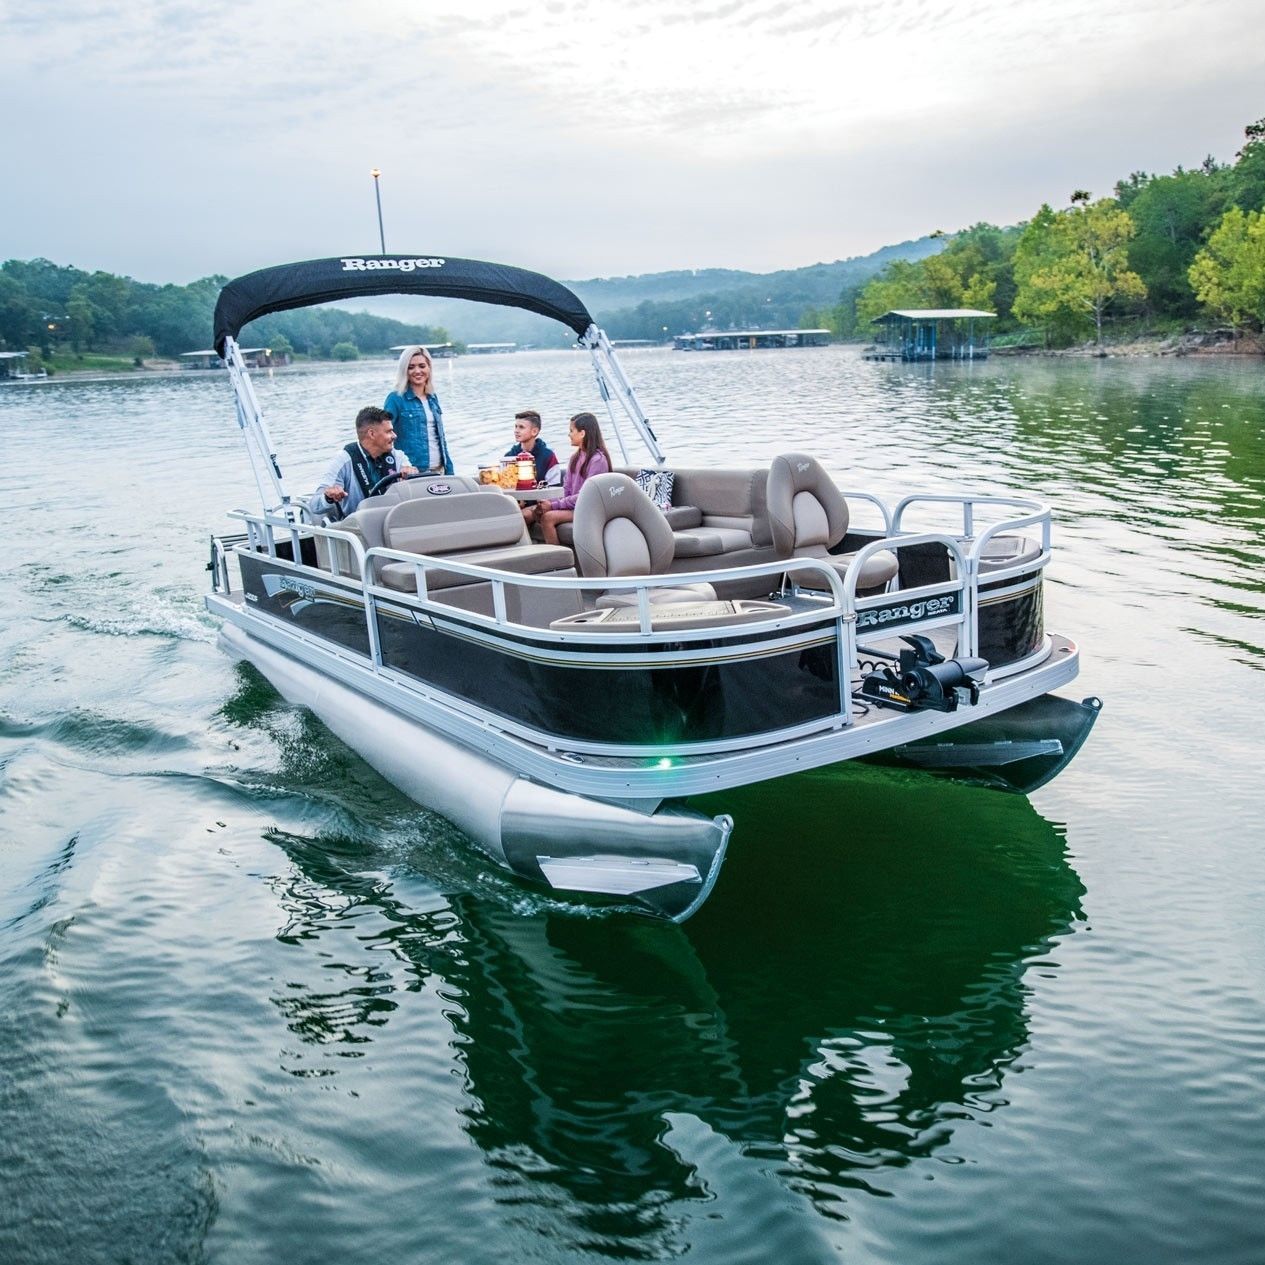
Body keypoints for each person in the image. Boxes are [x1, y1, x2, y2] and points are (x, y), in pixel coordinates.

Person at [312, 406, 418, 517]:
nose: (394, 436)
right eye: (389, 431)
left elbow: (413, 489)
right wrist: (328, 497)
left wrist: (412, 475)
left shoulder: (398, 456)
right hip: (358, 526)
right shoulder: (344, 460)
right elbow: (315, 505)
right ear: (371, 434)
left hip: (393, 521)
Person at [534, 412, 611, 546]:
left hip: (590, 508)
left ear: (582, 433)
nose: (569, 434)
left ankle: (557, 562)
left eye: (571, 431)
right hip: (576, 506)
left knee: (548, 518)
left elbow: (587, 496)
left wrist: (553, 505)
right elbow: (567, 489)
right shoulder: (575, 458)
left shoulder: (598, 460)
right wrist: (548, 502)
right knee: (536, 512)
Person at [384, 345, 453, 474]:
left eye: (422, 366)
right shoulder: (395, 399)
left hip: (439, 471)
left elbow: (440, 439)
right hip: (412, 474)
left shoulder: (432, 398)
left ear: (429, 368)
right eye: (411, 367)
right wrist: (399, 466)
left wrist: (450, 471)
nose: (417, 371)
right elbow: (384, 438)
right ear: (404, 370)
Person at [504, 409, 559, 483]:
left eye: (521, 427)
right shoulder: (509, 456)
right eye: (516, 426)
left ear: (534, 431)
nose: (516, 430)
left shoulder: (548, 456)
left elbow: (554, 486)